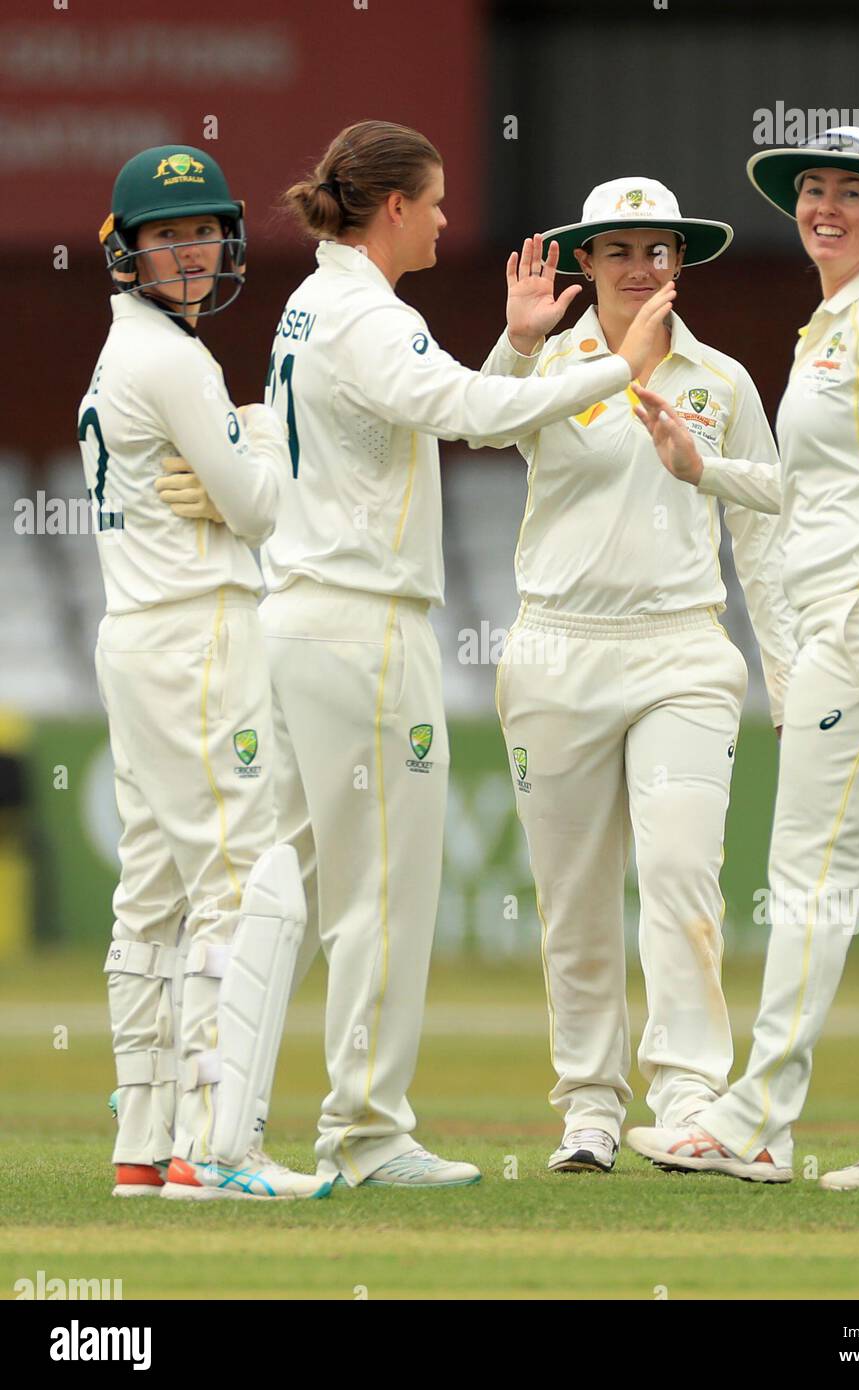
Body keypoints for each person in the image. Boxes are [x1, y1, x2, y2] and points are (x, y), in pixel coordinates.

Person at [258, 121, 675, 1189]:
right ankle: (365, 1132)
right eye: (436, 202)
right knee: (383, 892)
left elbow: (472, 412)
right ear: (394, 206)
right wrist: (611, 370)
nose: (448, 220)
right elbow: (467, 411)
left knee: (284, 885)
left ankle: (212, 1117)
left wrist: (522, 343)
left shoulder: (314, 302)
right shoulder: (368, 314)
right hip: (361, 625)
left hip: (304, 616)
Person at [627, 127, 859, 1189]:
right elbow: (818, 488)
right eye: (812, 188)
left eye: (850, 193)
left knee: (809, 874)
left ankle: (754, 1121)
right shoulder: (837, 324)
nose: (824, 206)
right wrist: (705, 468)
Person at [480, 178, 794, 1173]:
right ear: (584, 261)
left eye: (657, 249)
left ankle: (692, 1095)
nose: (639, 267)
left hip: (682, 650)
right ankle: (588, 1105)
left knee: (680, 873)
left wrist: (787, 675)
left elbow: (764, 522)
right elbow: (479, 424)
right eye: (617, 249)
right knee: (574, 897)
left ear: (679, 261)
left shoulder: (722, 381)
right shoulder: (548, 362)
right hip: (556, 648)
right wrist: (517, 341)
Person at [79, 144, 329, 1200]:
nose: (189, 253)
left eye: (201, 233)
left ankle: (145, 1142)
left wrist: (242, 448)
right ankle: (218, 1146)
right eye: (166, 236)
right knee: (239, 882)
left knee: (152, 892)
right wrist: (264, 434)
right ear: (126, 251)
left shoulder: (120, 354)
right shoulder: (176, 363)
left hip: (137, 636)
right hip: (198, 633)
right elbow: (262, 509)